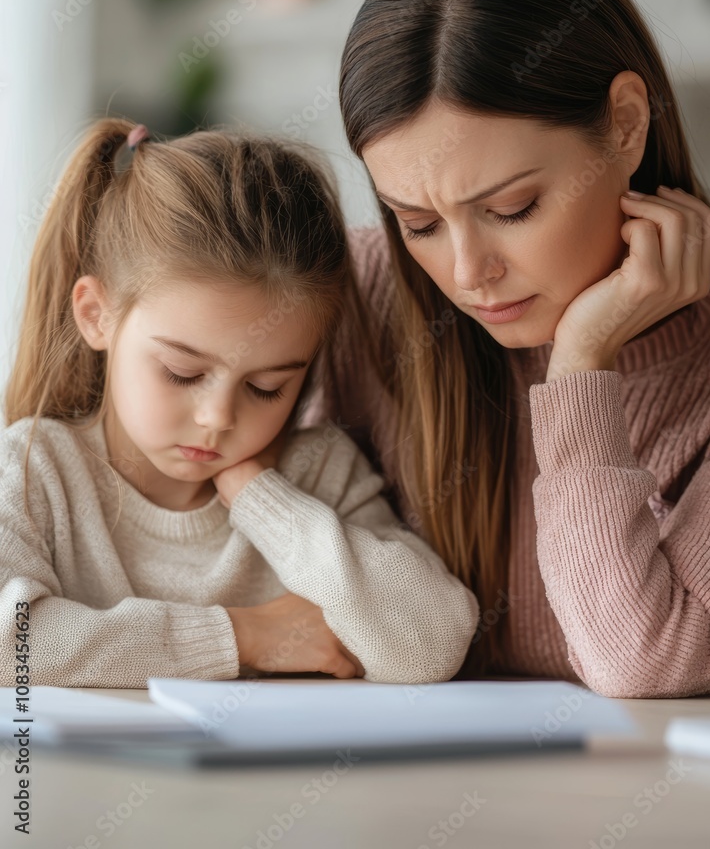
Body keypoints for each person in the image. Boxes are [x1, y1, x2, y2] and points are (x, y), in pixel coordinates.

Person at [303, 0, 710, 699]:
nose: (468, 274)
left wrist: (579, 367)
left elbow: (638, 657)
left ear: (627, 126)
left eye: (513, 208)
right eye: (420, 223)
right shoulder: (359, 294)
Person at [0, 118, 479, 689]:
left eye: (266, 388)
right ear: (96, 315)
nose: (218, 418)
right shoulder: (36, 471)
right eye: (183, 373)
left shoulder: (313, 475)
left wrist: (261, 499)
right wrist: (246, 636)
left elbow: (432, 643)